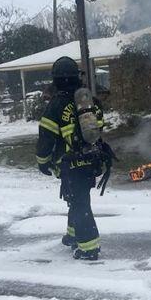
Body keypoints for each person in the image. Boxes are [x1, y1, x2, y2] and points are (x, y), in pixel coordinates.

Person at [36, 56, 113, 261]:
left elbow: (46, 137)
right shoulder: (92, 102)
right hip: (93, 159)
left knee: (79, 202)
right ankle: (73, 235)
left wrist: (43, 162)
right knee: (76, 198)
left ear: (56, 79)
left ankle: (89, 247)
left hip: (71, 163)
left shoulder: (55, 105)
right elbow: (99, 129)